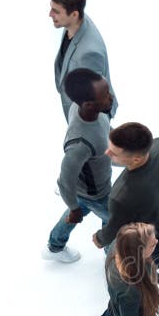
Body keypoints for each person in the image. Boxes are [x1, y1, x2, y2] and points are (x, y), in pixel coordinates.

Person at [64, 123, 159, 316]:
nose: (107, 152)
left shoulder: (121, 193)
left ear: (134, 160)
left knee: (127, 291)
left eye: (113, 152)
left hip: (146, 248)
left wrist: (99, 238)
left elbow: (115, 228)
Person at [42, 68, 113, 264]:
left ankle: (55, 245)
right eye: (105, 95)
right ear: (89, 104)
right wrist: (73, 208)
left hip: (93, 188)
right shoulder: (79, 144)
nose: (111, 97)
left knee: (82, 209)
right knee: (116, 221)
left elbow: (105, 132)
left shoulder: (85, 108)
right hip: (97, 194)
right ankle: (112, 257)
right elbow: (65, 182)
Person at [50, 0, 118, 121]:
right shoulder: (74, 23)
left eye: (56, 11)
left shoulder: (90, 54)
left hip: (87, 123)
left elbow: (95, 105)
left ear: (74, 14)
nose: (50, 14)